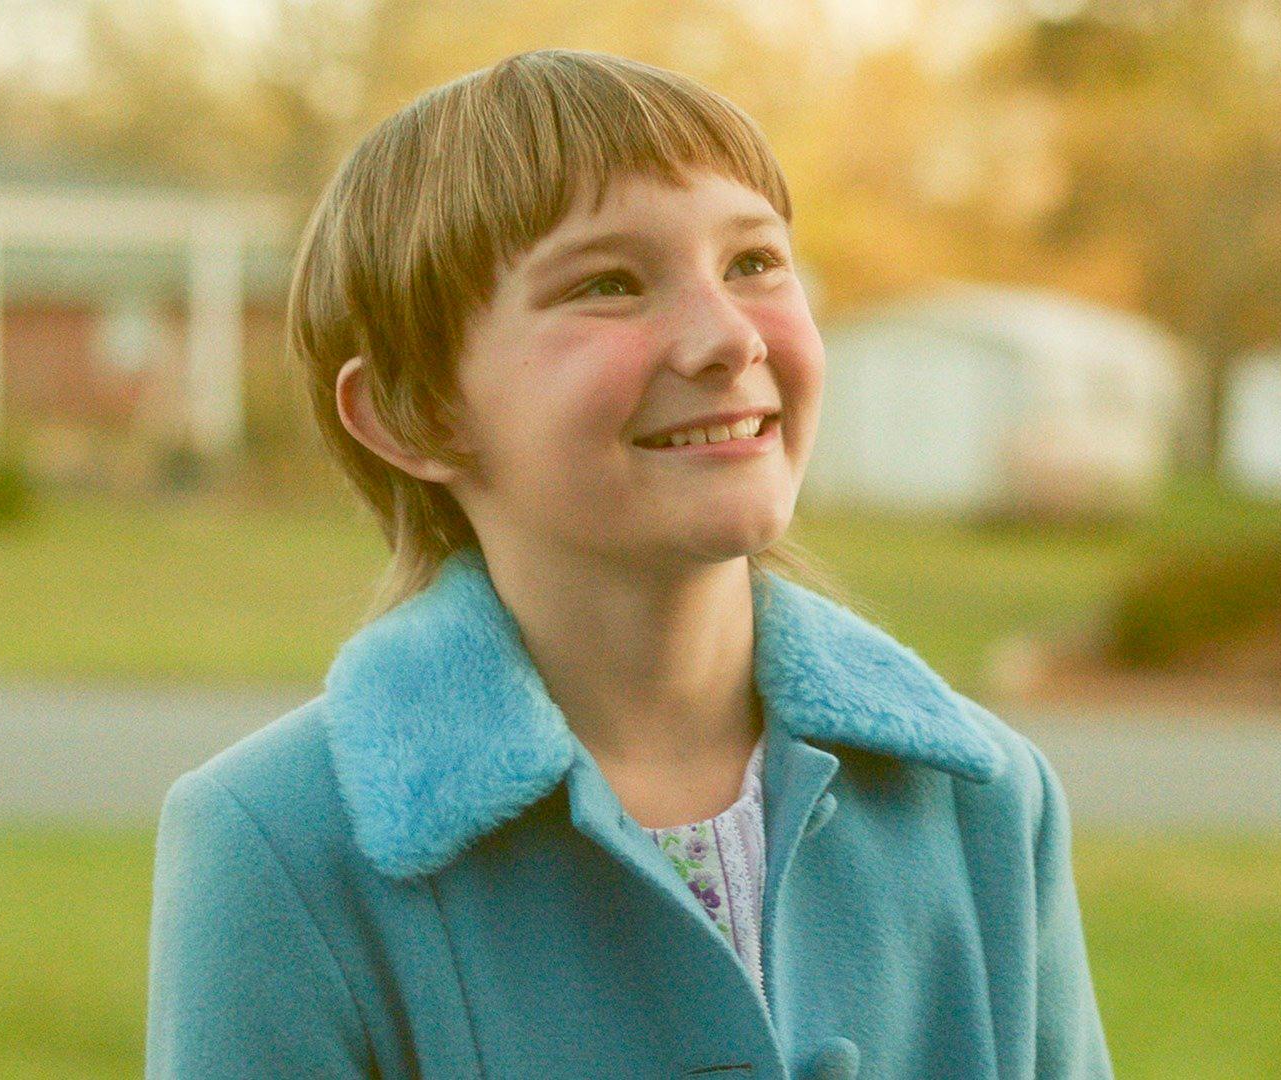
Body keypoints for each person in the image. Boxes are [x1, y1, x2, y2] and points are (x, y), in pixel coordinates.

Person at [142, 48, 1114, 1079]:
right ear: (411, 413)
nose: (728, 337)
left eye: (754, 263)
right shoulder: (277, 849)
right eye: (609, 283)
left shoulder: (985, 800)